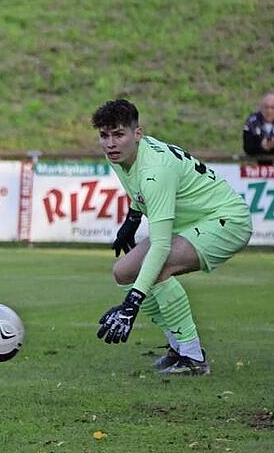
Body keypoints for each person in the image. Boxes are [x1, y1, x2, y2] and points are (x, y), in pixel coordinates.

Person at [93, 99, 252, 375]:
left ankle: (193, 358)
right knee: (124, 271)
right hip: (191, 221)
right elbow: (139, 192)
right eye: (104, 136)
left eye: (118, 134)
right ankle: (178, 347)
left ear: (137, 134)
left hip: (226, 220)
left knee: (160, 266)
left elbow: (161, 245)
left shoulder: (156, 171)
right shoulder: (122, 156)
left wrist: (132, 303)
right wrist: (132, 219)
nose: (110, 143)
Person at [243, 93, 274, 158]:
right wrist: (262, 147)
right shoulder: (252, 122)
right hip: (259, 163)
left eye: (273, 108)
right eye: (266, 107)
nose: (269, 111)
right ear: (261, 108)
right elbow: (248, 148)